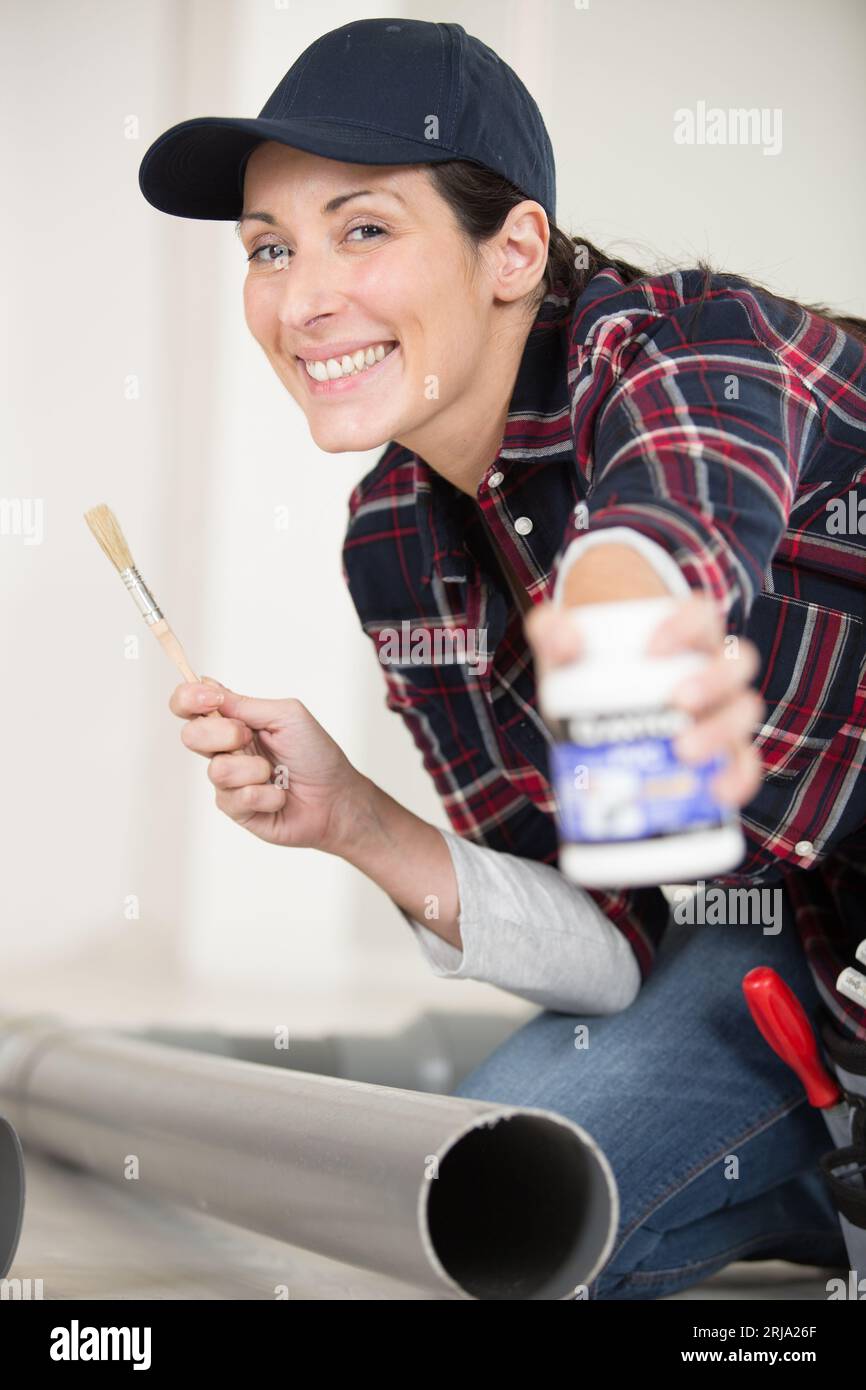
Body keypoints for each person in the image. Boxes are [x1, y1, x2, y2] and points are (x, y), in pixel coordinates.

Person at [139, 18, 866, 1298]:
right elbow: (610, 935)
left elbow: (666, 520)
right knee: (486, 1227)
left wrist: (610, 612)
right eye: (268, 247)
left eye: (362, 228)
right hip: (787, 956)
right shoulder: (392, 543)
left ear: (513, 249)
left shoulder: (690, 350)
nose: (303, 298)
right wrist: (356, 823)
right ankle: (797, 1168)